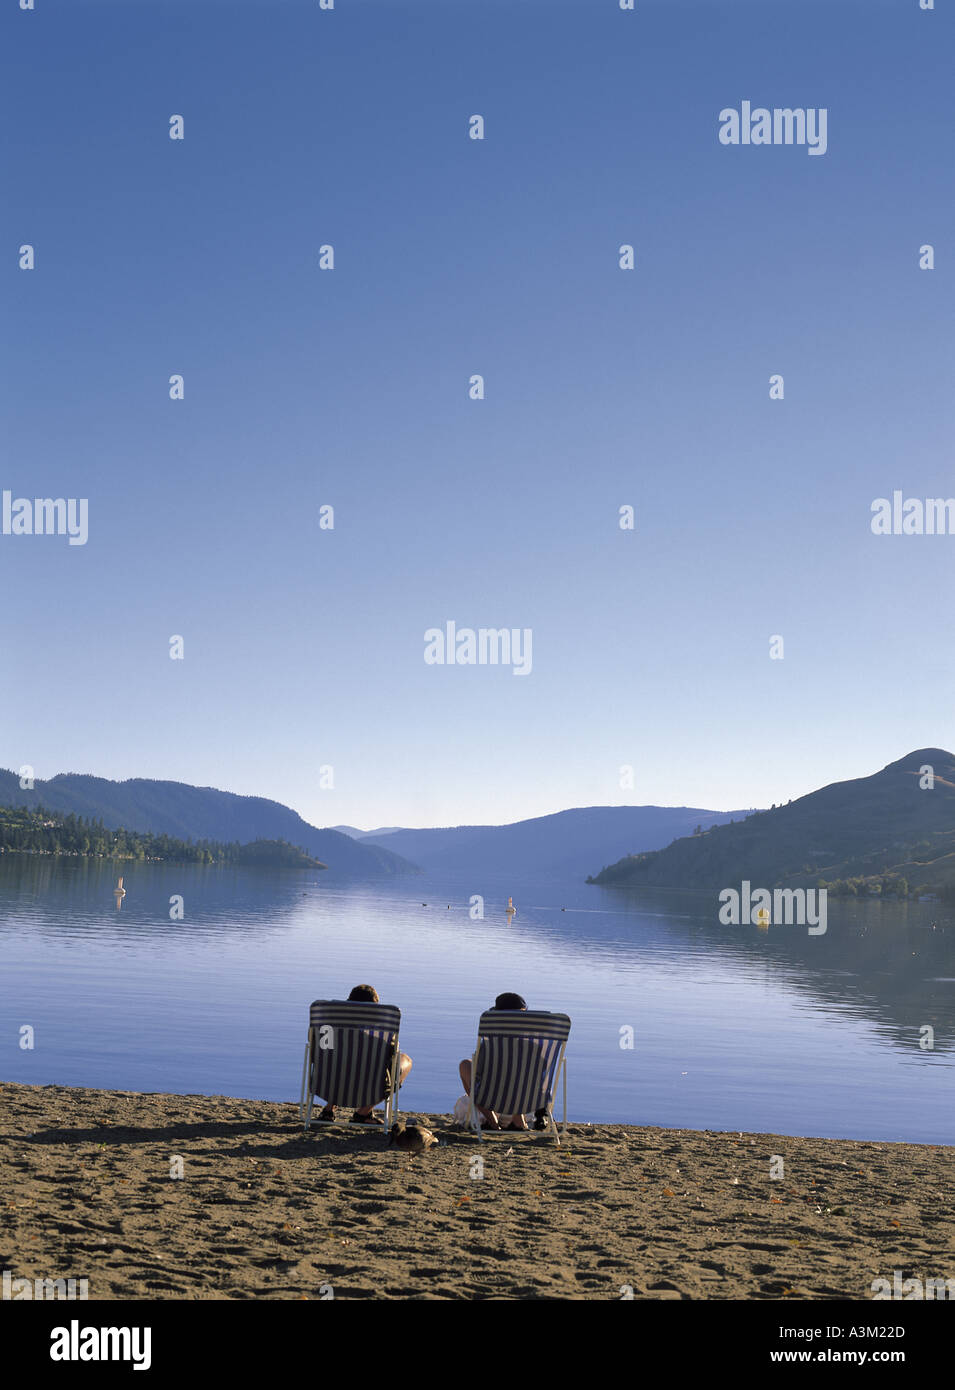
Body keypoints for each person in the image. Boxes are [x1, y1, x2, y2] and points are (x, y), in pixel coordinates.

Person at [316, 984, 413, 1126]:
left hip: (330, 1083)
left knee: (333, 1059)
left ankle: (328, 1110)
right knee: (405, 1060)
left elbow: (316, 1051)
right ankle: (363, 1113)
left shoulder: (329, 1027)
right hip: (370, 1087)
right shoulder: (381, 1035)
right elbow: (392, 1053)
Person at [458, 992, 534, 1132]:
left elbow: (482, 1069)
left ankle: (493, 1123)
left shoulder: (492, 1038)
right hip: (528, 1098)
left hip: (493, 1095)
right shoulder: (535, 1040)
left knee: (465, 1065)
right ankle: (519, 1122)